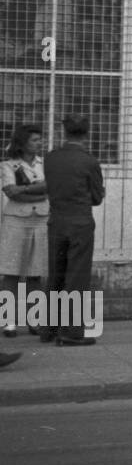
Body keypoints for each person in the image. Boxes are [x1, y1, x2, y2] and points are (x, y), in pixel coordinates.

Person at [42, 114, 104, 345]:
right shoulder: (89, 162)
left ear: (63, 132)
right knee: (76, 277)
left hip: (56, 221)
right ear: (86, 133)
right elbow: (96, 198)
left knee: (56, 275)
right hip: (80, 223)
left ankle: (48, 329)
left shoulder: (50, 158)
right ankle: (71, 332)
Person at [1, 124, 48, 338]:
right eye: (35, 140)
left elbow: (52, 187)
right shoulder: (8, 165)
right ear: (22, 143)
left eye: (40, 139)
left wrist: (27, 189)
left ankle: (34, 320)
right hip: (16, 221)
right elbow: (12, 193)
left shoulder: (44, 164)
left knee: (35, 273)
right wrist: (39, 190)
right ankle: (8, 321)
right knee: (11, 272)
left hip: (40, 220)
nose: (39, 143)